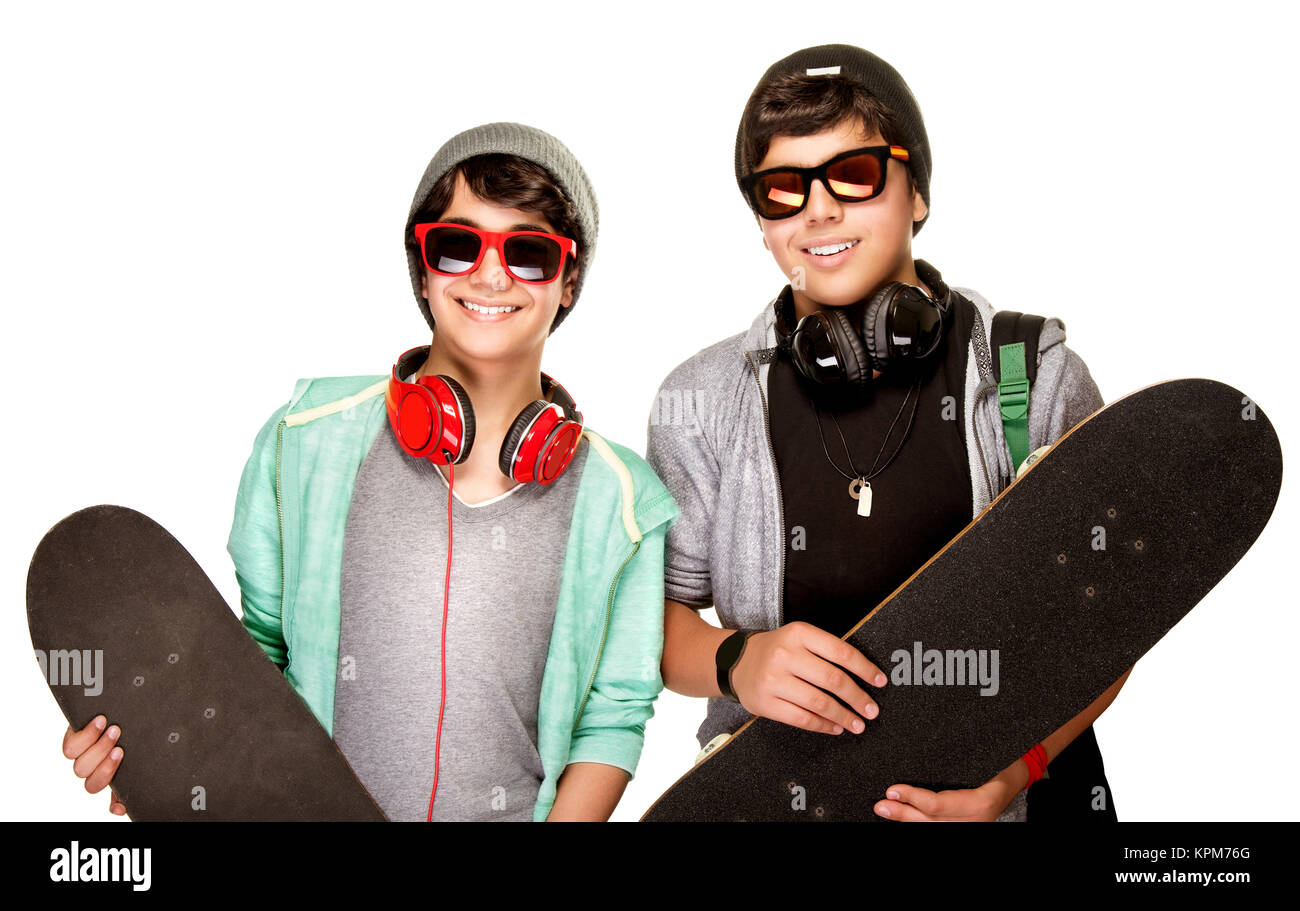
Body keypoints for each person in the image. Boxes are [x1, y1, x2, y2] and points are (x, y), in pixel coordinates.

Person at [62, 122, 679, 822]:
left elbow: (614, 715)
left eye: (530, 253)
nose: (489, 274)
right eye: (457, 245)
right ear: (421, 267)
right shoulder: (306, 436)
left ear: (569, 282)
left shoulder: (622, 499)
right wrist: (160, 758)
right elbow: (249, 659)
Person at [648, 44, 1130, 821]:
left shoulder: (1030, 379)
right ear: (763, 224)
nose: (819, 209)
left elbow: (1116, 611)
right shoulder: (702, 402)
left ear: (917, 193)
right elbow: (653, 624)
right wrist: (737, 659)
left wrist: (1011, 777)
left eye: (855, 174)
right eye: (783, 189)